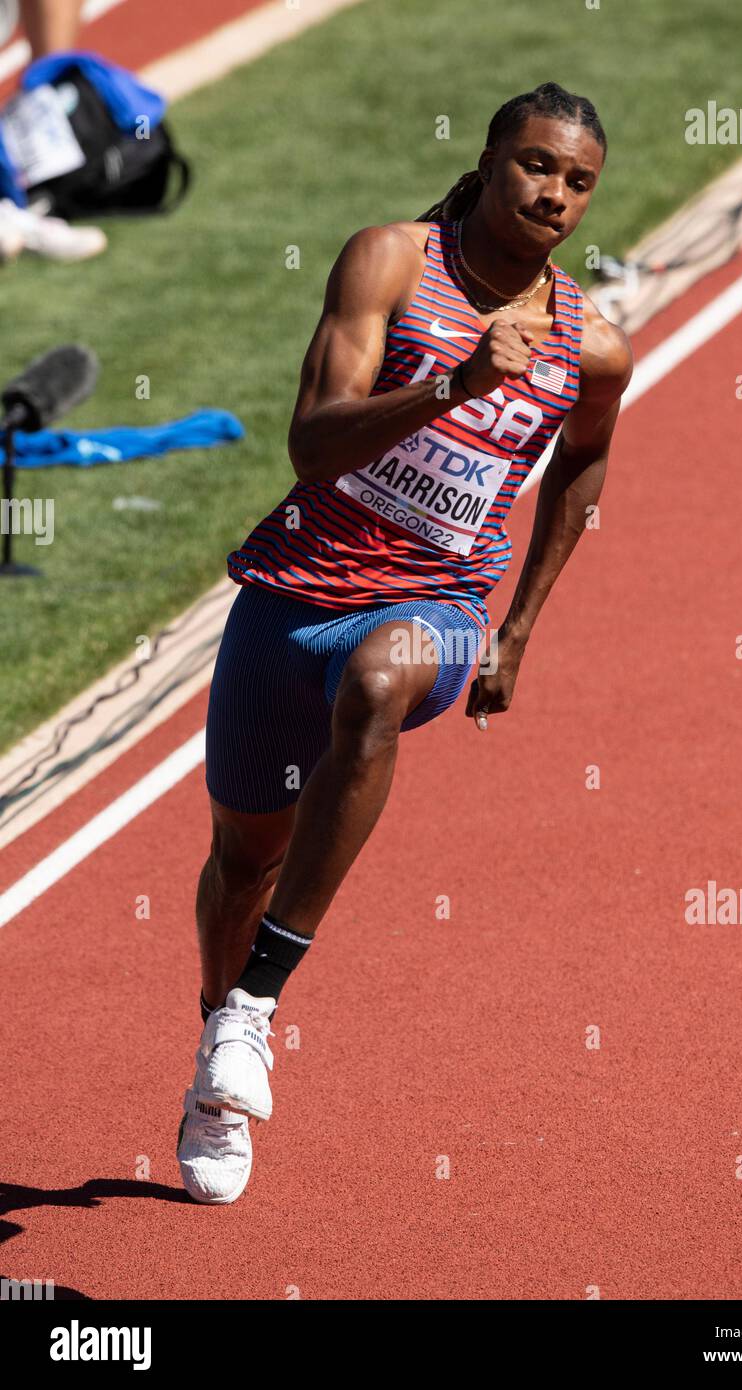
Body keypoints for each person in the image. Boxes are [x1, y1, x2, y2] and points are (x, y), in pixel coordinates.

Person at [177, 80, 634, 1204]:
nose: (555, 193)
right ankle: (216, 1057)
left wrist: (517, 629)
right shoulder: (390, 262)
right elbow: (311, 446)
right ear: (486, 163)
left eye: (579, 180)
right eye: (536, 165)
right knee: (242, 861)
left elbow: (583, 464)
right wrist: (460, 381)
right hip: (290, 600)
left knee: (381, 684)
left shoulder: (592, 345)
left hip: (434, 605)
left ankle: (258, 999)